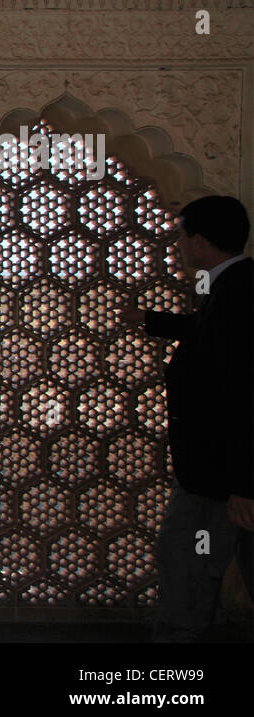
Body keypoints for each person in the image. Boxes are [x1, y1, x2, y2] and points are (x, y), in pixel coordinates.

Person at [120, 195, 254, 641]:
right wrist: (151, 320)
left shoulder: (236, 293)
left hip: (217, 480)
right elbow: (213, 335)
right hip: (217, 474)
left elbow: (243, 390)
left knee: (188, 566)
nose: (177, 245)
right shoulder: (236, 285)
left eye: (180, 236)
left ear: (198, 241)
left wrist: (243, 486)